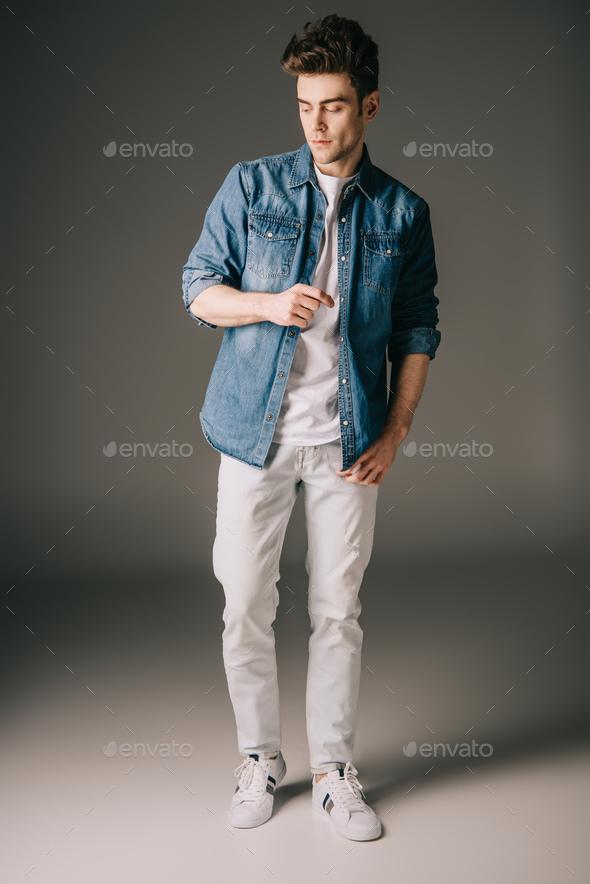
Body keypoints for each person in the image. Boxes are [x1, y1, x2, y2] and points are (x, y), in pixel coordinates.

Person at [181, 13, 441, 842]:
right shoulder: (250, 186)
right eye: (304, 105)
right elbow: (196, 287)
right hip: (253, 439)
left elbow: (419, 329)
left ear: (370, 104)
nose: (317, 122)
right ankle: (259, 757)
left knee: (338, 608)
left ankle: (333, 769)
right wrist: (265, 305)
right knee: (246, 602)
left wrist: (395, 433)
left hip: (347, 441)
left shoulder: (404, 212)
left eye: (332, 105)